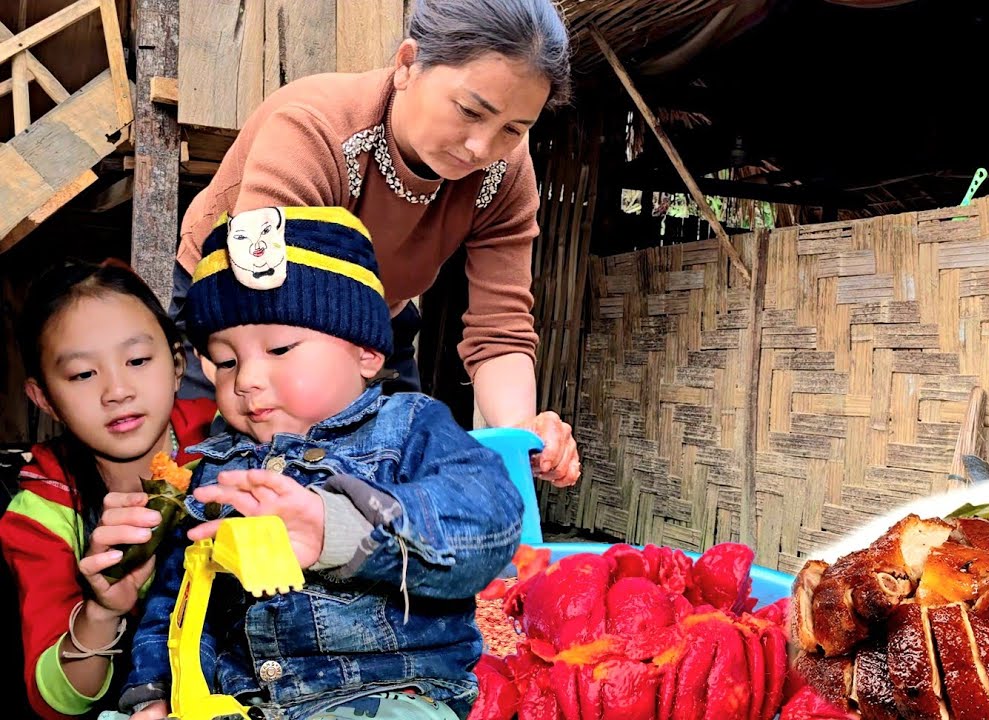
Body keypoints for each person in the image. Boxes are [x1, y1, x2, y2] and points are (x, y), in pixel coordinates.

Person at [119, 207, 524, 720]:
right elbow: (178, 598)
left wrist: (343, 529)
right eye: (226, 360)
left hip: (387, 700)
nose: (246, 380)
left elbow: (489, 527)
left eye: (280, 348)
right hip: (237, 704)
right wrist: (156, 688)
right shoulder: (216, 469)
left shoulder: (409, 427)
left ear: (365, 353)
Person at [169, 0, 581, 488]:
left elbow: (500, 328)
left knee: (399, 485)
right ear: (408, 64)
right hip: (243, 313)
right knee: (204, 480)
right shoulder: (313, 129)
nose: (481, 148)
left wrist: (520, 436)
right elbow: (266, 318)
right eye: (470, 111)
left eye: (514, 129)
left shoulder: (506, 173)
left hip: (377, 315)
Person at [0, 260, 216, 719]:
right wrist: (102, 610)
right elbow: (57, 700)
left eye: (138, 361)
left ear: (178, 364)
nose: (117, 390)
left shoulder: (230, 439)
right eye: (82, 374)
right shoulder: (43, 512)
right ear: (44, 400)